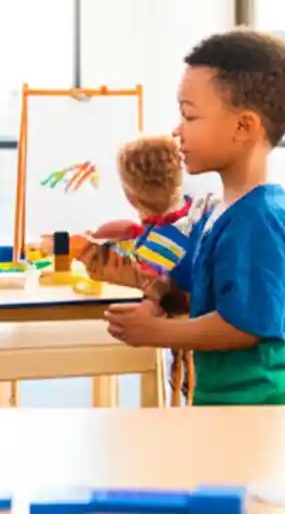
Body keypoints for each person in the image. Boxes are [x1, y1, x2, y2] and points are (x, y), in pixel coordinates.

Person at [103, 29, 285, 406]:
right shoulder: (215, 211)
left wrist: (154, 332)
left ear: (244, 127)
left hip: (270, 401)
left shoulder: (260, 220)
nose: (177, 129)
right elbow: (192, 294)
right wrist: (159, 294)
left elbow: (246, 326)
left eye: (189, 115)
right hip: (234, 396)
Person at [84, 134, 219, 403]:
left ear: (130, 197)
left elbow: (152, 290)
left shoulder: (150, 252)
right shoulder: (202, 208)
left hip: (188, 334)